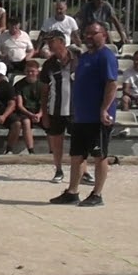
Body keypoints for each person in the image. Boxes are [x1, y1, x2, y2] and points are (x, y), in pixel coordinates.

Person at [50, 23, 117, 207]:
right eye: (86, 33)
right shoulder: (85, 57)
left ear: (103, 34)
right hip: (81, 116)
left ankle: (97, 193)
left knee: (99, 155)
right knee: (77, 155)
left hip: (98, 117)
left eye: (93, 33)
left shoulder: (106, 56)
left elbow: (112, 85)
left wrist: (104, 109)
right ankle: (72, 192)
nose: (88, 36)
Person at [37, 31, 87, 184]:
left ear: (61, 41)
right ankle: (58, 169)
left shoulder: (78, 60)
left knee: (80, 143)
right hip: (55, 109)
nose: (49, 45)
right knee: (57, 141)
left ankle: (83, 172)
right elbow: (44, 91)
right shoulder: (48, 64)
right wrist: (44, 113)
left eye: (51, 41)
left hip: (76, 109)